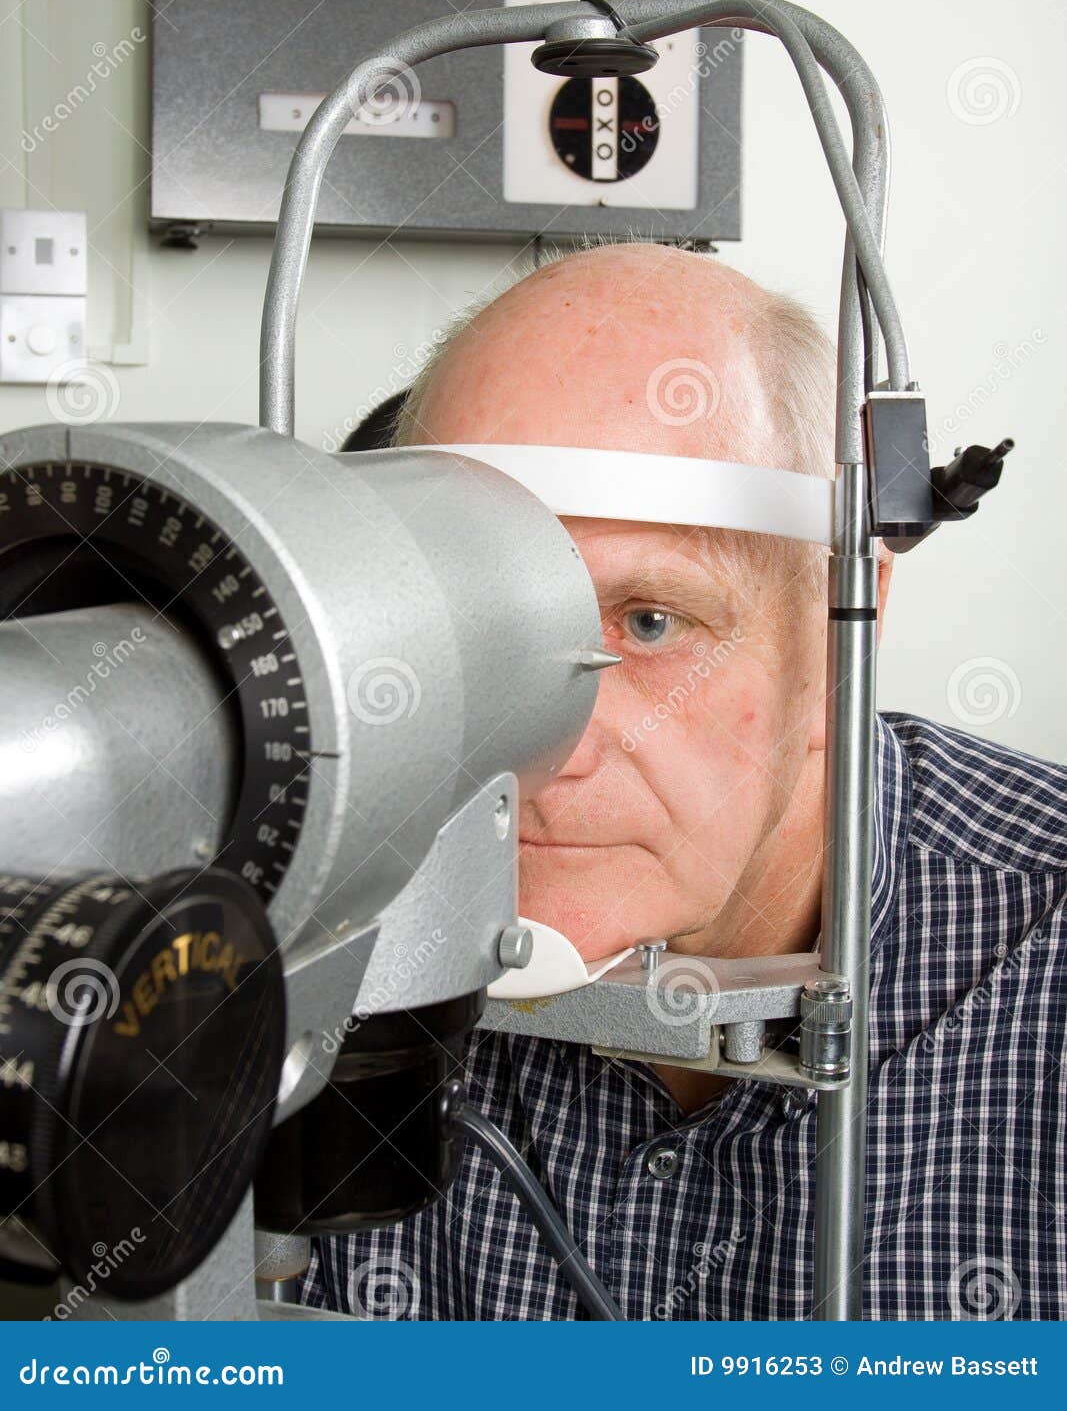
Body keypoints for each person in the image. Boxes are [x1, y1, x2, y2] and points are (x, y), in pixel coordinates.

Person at [299, 242, 1066, 1321]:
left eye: (650, 622)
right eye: (473, 613)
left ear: (844, 620)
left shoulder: (1040, 958)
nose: (545, 751)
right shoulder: (302, 917)